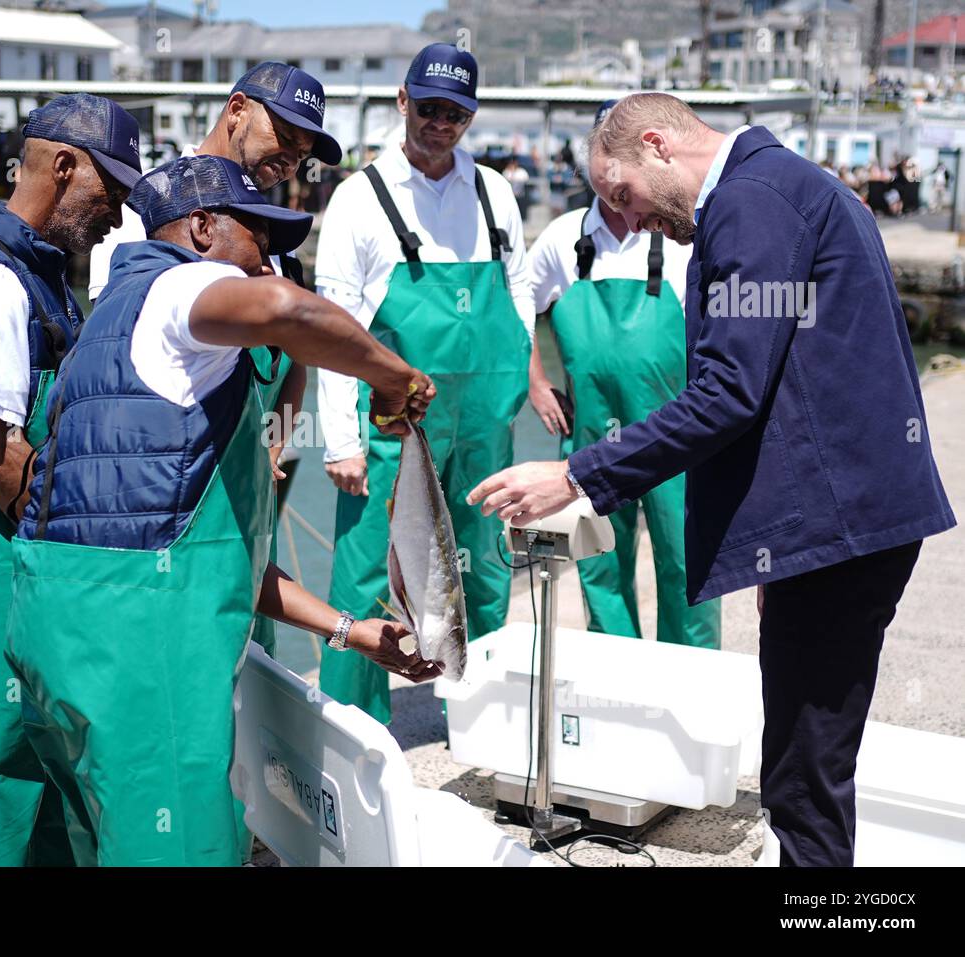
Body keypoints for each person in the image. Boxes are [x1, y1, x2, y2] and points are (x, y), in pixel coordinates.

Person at [467, 92, 956, 866]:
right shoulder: (798, 186)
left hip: (842, 530)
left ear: (657, 145)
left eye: (620, 193)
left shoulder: (747, 204)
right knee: (812, 759)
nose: (627, 218)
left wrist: (578, 474)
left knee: (803, 778)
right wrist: (779, 548)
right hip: (843, 523)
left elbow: (730, 391)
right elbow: (813, 372)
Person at [4, 155, 438, 866]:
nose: (270, 261)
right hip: (140, 658)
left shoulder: (107, 321)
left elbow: (208, 555)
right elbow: (287, 311)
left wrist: (351, 630)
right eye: (258, 238)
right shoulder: (184, 284)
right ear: (202, 228)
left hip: (59, 636)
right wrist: (395, 379)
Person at [0, 94, 142, 866]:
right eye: (109, 194)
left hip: (18, 569)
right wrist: (84, 559)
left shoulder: (38, 279)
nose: (114, 217)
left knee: (43, 788)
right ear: (64, 166)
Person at [315, 42, 536, 725]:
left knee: (487, 564)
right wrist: (339, 441)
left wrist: (516, 378)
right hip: (390, 423)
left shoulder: (493, 190)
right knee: (366, 569)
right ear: (403, 100)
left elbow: (518, 284)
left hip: (482, 417)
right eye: (431, 107)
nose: (442, 123)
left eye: (458, 113)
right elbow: (332, 323)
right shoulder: (358, 198)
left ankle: (485, 716)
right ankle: (351, 726)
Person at [86, 60, 343, 628]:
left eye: (303, 152)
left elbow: (295, 367)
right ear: (236, 110)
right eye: (284, 135)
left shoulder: (279, 249)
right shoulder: (146, 214)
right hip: (163, 499)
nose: (290, 158)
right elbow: (111, 356)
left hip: (244, 495)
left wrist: (273, 446)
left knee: (244, 646)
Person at [526, 99, 720, 649]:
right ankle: (616, 680)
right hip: (592, 437)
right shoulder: (562, 239)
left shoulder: (684, 235)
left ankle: (694, 685)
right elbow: (518, 311)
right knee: (600, 564)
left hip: (679, 438)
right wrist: (536, 383)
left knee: (687, 563)